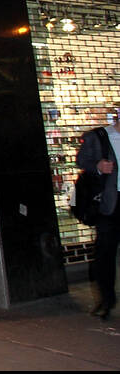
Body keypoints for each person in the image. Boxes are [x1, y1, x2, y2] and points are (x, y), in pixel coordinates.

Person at [77, 106, 120, 318]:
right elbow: (81, 161)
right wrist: (98, 165)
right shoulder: (99, 136)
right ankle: (106, 299)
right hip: (109, 203)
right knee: (105, 253)